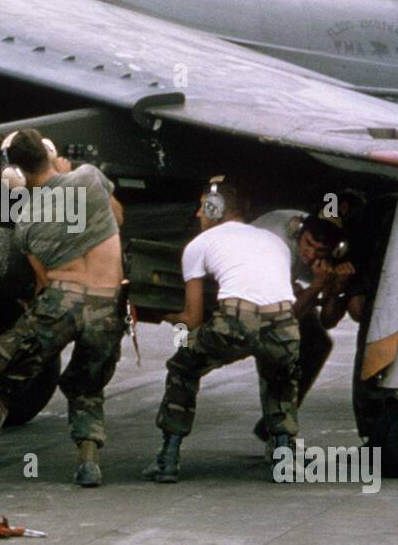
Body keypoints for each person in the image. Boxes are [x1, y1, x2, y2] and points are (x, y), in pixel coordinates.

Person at [0, 129, 125, 495]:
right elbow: (118, 216)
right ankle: (88, 464)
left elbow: (41, 281)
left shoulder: (27, 222)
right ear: (49, 155)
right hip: (108, 303)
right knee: (86, 383)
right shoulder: (89, 177)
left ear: (14, 172)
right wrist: (70, 171)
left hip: (62, 300)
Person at [142, 177, 301, 483]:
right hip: (284, 324)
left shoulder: (198, 245)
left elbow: (192, 318)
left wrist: (165, 314)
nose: (198, 215)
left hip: (236, 321)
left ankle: (168, 459)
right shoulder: (275, 241)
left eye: (202, 209)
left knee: (183, 366)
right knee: (280, 374)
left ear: (215, 209)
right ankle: (284, 459)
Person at [248, 205, 365, 442]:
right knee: (282, 344)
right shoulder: (277, 241)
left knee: (318, 342)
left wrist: (336, 289)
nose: (310, 255)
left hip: (283, 291)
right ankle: (278, 429)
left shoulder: (327, 258)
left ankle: (273, 426)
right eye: (308, 245)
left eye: (319, 251)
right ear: (298, 232)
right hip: (246, 285)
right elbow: (284, 318)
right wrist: (314, 287)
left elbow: (328, 321)